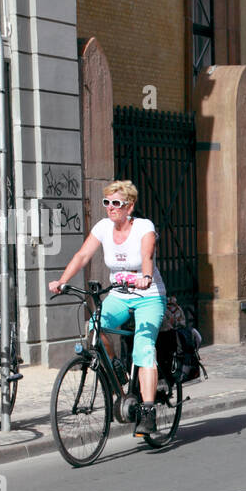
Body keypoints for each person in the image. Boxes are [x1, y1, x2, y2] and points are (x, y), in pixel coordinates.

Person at [49, 180, 166, 435]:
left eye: (116, 203)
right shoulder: (103, 227)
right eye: (107, 203)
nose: (110, 208)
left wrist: (145, 278)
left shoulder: (144, 227)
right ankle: (117, 369)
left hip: (149, 295)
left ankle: (148, 412)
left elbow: (147, 256)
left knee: (143, 347)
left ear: (129, 206)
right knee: (94, 326)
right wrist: (62, 281)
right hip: (120, 295)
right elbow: (82, 256)